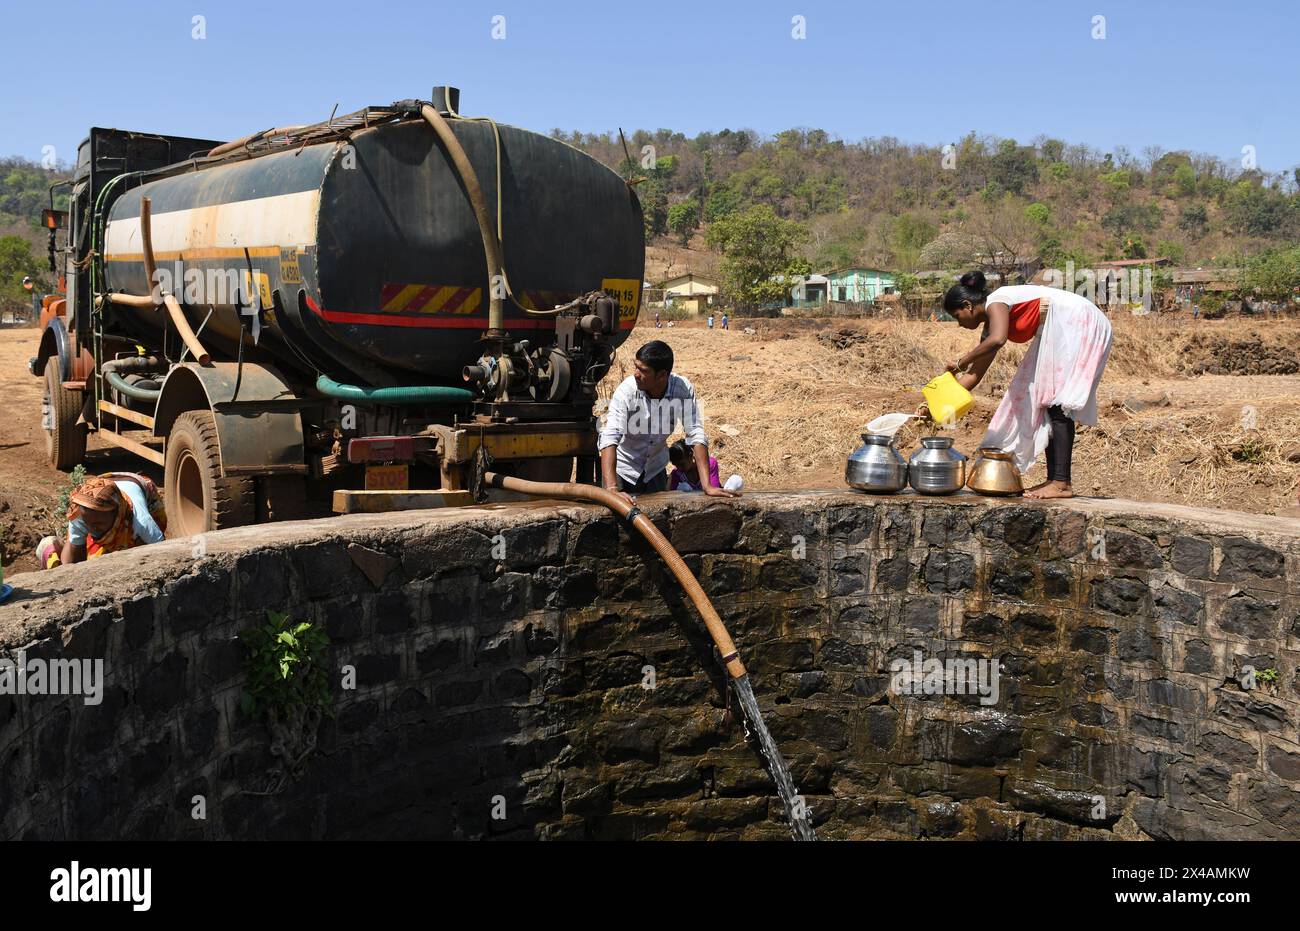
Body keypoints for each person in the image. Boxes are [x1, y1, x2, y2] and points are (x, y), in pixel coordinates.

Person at [942, 270, 1112, 500]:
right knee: (1047, 401)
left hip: (1077, 321)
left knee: (1058, 402)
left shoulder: (997, 301)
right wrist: (939, 406)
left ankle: (1061, 483)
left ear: (968, 305)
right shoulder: (989, 328)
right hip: (1059, 329)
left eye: (957, 316)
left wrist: (962, 360)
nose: (959, 324)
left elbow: (999, 339)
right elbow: (974, 376)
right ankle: (1055, 480)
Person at [598, 340, 739, 505]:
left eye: (643, 370)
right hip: (622, 468)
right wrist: (612, 489)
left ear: (662, 376)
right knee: (614, 521)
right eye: (635, 366)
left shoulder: (682, 389)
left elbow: (695, 433)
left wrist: (707, 486)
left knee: (658, 521)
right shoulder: (627, 391)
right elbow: (610, 436)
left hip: (654, 469)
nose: (636, 373)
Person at [37, 472, 167, 568]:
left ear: (116, 515)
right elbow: (71, 554)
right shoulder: (80, 514)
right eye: (88, 524)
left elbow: (164, 553)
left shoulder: (142, 521)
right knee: (94, 558)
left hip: (145, 492)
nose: (92, 529)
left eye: (98, 524)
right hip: (103, 485)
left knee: (136, 550)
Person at [668, 439, 743, 492]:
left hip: (714, 499)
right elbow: (670, 494)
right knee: (684, 487)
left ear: (690, 456)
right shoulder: (677, 473)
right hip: (690, 505)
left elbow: (714, 488)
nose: (679, 468)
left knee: (736, 480)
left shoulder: (709, 464)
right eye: (676, 465)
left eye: (682, 464)